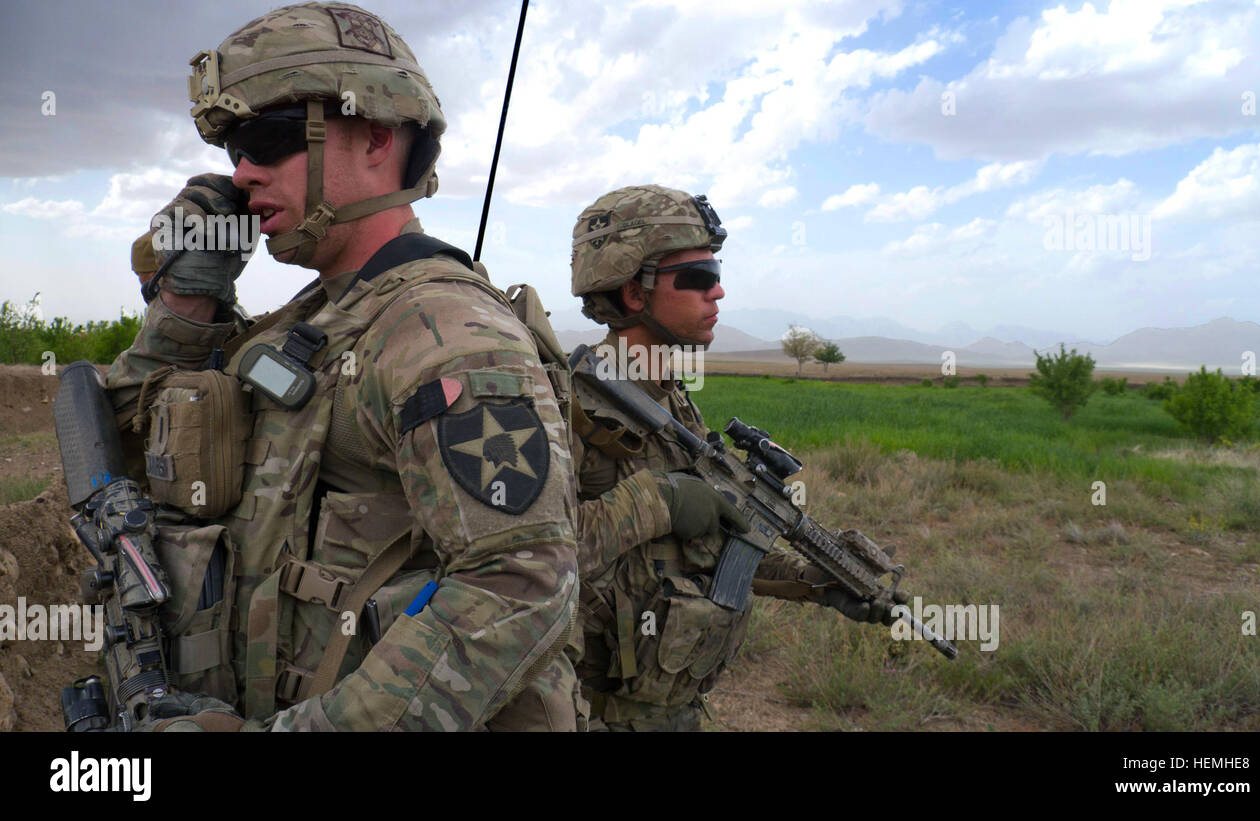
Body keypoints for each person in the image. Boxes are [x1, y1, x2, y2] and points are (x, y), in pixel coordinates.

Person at [104, 2, 579, 732]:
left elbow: (522, 588)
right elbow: (128, 458)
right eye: (234, 146)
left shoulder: (444, 333)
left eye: (267, 138)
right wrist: (186, 305)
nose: (242, 173)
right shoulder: (307, 323)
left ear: (376, 137)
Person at [568, 184, 899, 731]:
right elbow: (527, 556)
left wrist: (816, 581)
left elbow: (720, 547)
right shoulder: (567, 406)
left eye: (717, 273)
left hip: (670, 710)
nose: (717, 292)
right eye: (697, 278)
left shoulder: (673, 404)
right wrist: (657, 500)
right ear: (632, 292)